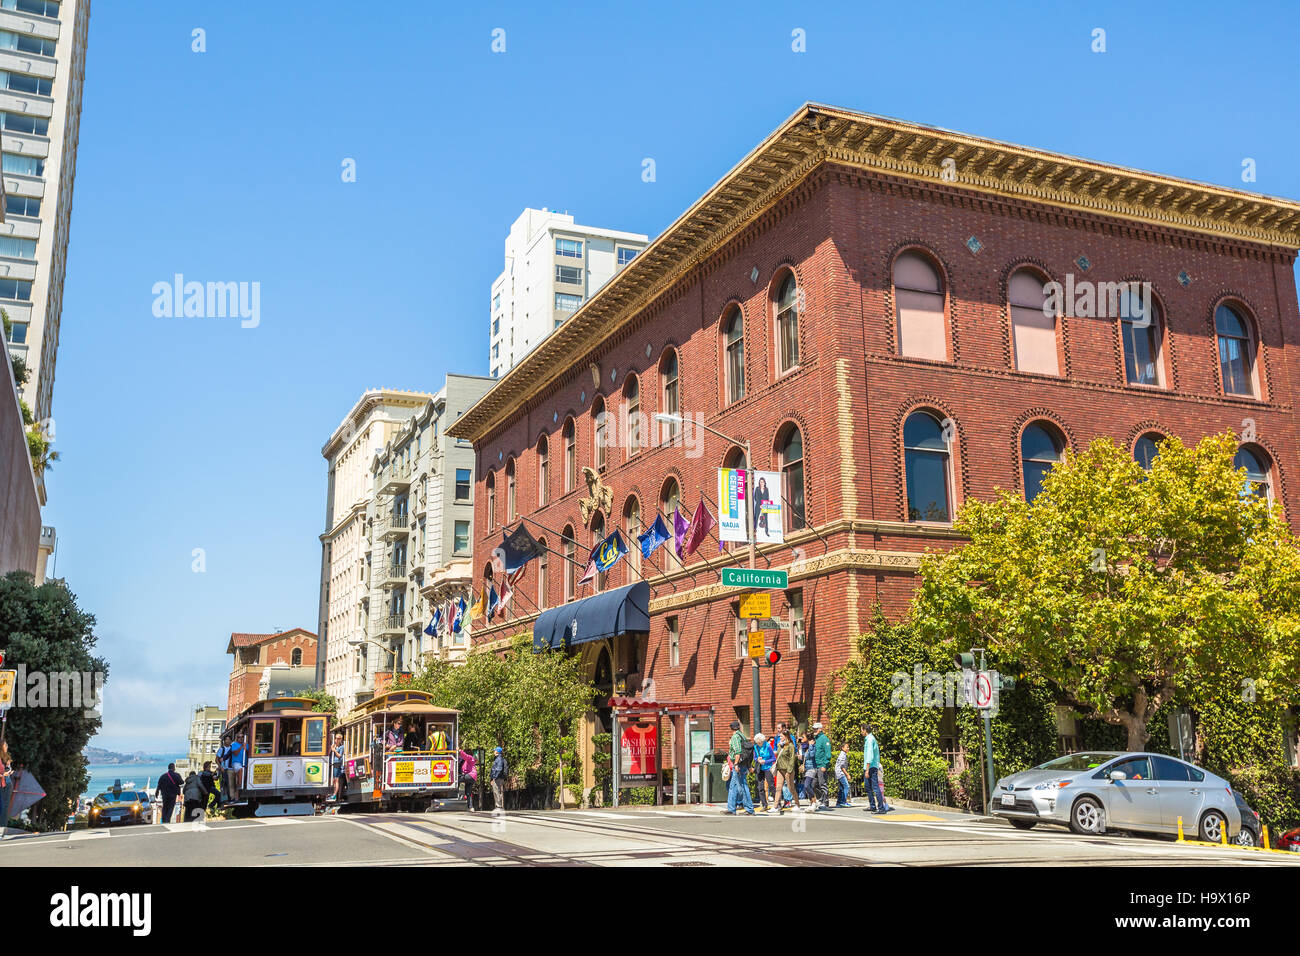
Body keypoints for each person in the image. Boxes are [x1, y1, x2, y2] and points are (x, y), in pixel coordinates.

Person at [723, 721, 755, 816]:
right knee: (733, 786)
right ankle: (731, 808)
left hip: (739, 765)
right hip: (744, 764)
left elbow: (738, 752)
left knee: (742, 786)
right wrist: (749, 765)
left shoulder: (735, 737)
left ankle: (749, 809)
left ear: (731, 728)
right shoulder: (742, 736)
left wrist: (736, 764)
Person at [861, 723, 889, 814]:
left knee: (875, 787)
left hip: (871, 766)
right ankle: (872, 806)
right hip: (870, 766)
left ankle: (881, 808)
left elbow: (870, 755)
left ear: (865, 730)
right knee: (868, 786)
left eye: (861, 730)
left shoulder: (869, 740)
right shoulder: (870, 739)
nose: (861, 732)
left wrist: (867, 769)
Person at [774, 730, 800, 814]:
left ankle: (797, 804)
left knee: (791, 788)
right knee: (778, 788)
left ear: (786, 736)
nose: (779, 738)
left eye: (781, 736)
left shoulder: (791, 746)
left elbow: (792, 759)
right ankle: (775, 806)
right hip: (780, 769)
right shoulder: (780, 746)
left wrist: (789, 771)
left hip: (788, 770)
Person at [754, 733, 776, 813]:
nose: (759, 744)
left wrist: (765, 761)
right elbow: (755, 757)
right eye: (757, 742)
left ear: (763, 741)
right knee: (760, 787)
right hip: (760, 768)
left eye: (760, 742)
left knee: (771, 785)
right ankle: (764, 804)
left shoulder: (768, 746)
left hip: (768, 767)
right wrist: (758, 759)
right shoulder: (755, 747)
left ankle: (777, 803)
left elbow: (773, 758)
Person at [812, 722, 832, 809]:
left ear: (820, 729)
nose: (814, 730)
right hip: (815, 766)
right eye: (814, 729)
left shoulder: (824, 739)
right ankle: (820, 799)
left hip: (821, 765)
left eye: (816, 729)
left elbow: (828, 753)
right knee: (813, 784)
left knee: (822, 783)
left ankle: (825, 801)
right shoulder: (815, 739)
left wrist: (825, 764)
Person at [834, 742, 853, 807]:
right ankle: (843, 802)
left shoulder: (843, 754)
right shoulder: (842, 755)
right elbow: (842, 766)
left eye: (848, 747)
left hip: (838, 773)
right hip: (840, 773)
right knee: (846, 787)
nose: (848, 748)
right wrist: (847, 774)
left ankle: (839, 803)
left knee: (841, 788)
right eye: (846, 747)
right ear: (842, 748)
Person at [489, 746, 507, 812]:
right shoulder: (499, 758)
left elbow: (498, 769)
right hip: (499, 777)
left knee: (497, 792)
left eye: (495, 750)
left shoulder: (499, 759)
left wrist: (494, 777)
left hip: (497, 778)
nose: (494, 752)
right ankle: (499, 806)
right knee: (498, 791)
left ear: (497, 751)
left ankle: (499, 806)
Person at [329, 732, 346, 803]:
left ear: (341, 739)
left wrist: (334, 750)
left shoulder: (341, 747)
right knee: (332, 779)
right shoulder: (333, 745)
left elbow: (340, 756)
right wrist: (331, 749)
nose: (337, 740)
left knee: (336, 779)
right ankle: (331, 793)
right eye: (336, 738)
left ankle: (335, 794)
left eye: (338, 738)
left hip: (337, 763)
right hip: (331, 763)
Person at [0, 740, 12, 837]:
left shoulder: (6, 757)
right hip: (2, 782)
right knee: (2, 806)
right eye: (5, 745)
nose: (7, 746)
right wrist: (3, 774)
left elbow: (8, 769)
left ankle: (2, 829)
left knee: (5, 807)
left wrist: (8, 771)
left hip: (7, 782)